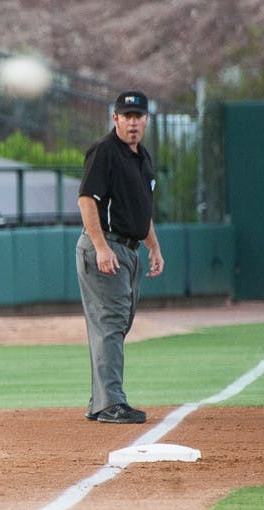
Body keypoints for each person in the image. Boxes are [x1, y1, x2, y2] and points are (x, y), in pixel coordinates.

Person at [76, 90, 165, 424]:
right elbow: (87, 200)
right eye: (126, 117)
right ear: (115, 119)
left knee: (116, 324)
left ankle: (100, 399)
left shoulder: (142, 158)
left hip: (130, 248)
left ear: (146, 120)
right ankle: (111, 402)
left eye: (138, 116)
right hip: (106, 247)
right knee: (111, 324)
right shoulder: (104, 152)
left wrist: (153, 246)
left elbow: (141, 211)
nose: (133, 122)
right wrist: (101, 247)